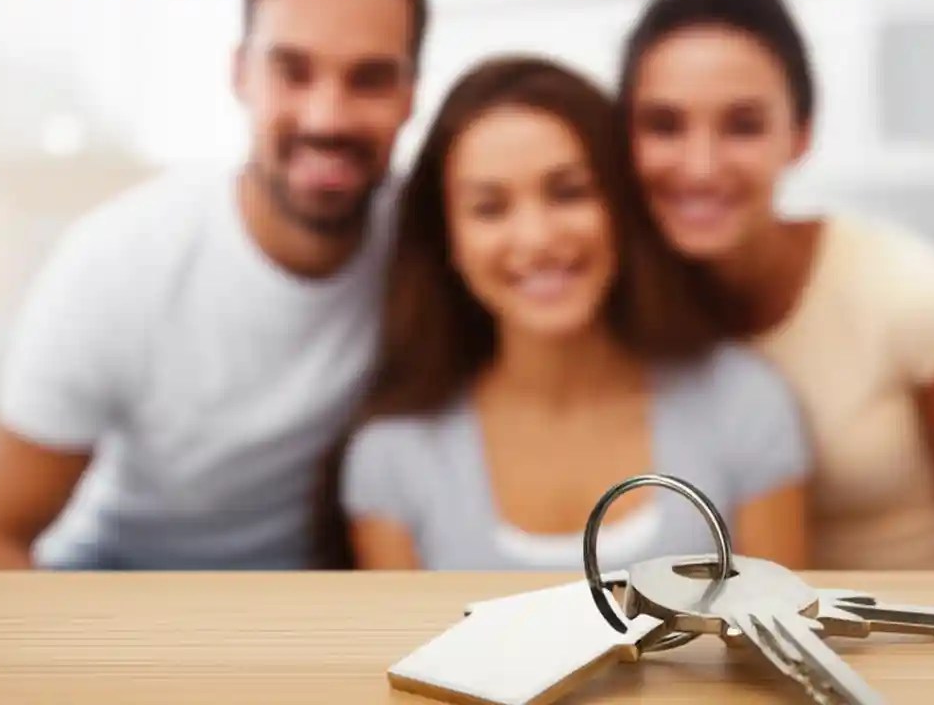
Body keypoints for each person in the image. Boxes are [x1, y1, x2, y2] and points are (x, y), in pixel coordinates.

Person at [0, 0, 428, 570]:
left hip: (309, 599)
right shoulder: (118, 264)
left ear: (409, 95)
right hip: (113, 585)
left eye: (370, 78)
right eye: (291, 71)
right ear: (240, 74)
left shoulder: (432, 246)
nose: (326, 117)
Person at [331, 56, 811, 572]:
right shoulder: (392, 456)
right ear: (448, 238)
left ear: (620, 206)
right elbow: (404, 651)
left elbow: (778, 640)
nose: (536, 239)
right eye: (490, 208)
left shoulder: (741, 404)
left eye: (568, 193)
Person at [616, 0, 934, 569]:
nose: (701, 165)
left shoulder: (917, 299)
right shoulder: (614, 309)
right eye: (664, 125)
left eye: (743, 126)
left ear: (800, 136)